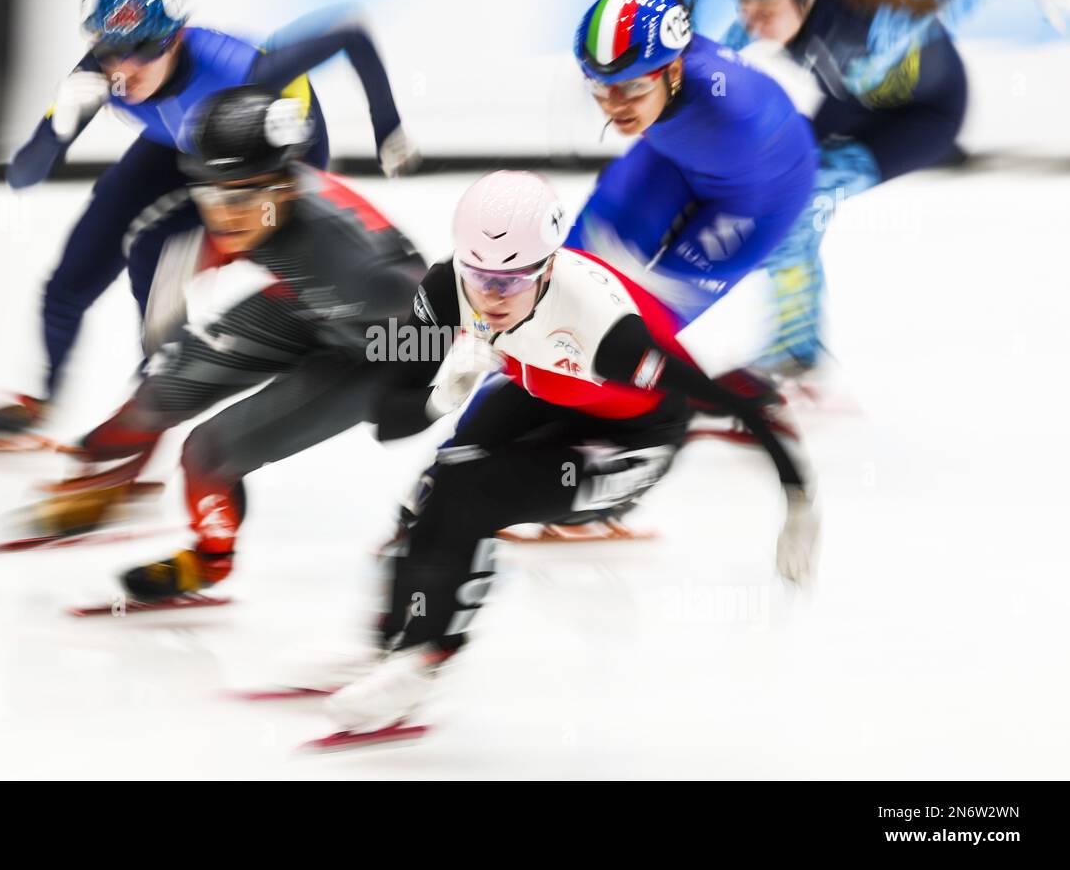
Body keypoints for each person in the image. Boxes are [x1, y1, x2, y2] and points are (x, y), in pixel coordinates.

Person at [313, 171, 818, 737]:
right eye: (479, 277)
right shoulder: (443, 291)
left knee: (471, 494)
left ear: (549, 267)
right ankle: (392, 645)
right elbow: (386, 415)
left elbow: (731, 401)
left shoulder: (608, 332)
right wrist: (436, 401)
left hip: (634, 438)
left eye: (512, 281)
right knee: (429, 494)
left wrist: (798, 493)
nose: (491, 298)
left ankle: (427, 659)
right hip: (543, 385)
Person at [0, 0, 419, 441]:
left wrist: (388, 128)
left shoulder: (239, 69)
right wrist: (59, 127)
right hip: (182, 142)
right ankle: (43, 403)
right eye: (109, 49)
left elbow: (350, 31)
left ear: (177, 36)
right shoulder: (95, 76)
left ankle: (151, 406)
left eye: (143, 48)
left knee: (159, 255)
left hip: (265, 160)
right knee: (74, 271)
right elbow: (23, 176)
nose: (125, 68)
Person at [24, 86, 427, 601]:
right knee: (161, 389)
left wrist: (425, 399)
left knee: (208, 453)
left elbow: (459, 318)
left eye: (239, 198)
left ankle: (210, 560)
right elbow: (189, 262)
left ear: (286, 189)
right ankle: (109, 479)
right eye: (209, 194)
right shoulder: (254, 203)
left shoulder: (360, 267)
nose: (222, 215)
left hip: (377, 352)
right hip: (306, 305)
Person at [720, 0, 1066, 371]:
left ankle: (796, 354)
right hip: (854, 100)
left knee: (807, 193)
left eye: (764, 10)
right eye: (744, 5)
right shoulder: (776, 14)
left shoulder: (873, 28)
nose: (751, 20)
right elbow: (715, 59)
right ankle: (790, 331)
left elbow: (956, 0)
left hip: (926, 114)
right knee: (779, 178)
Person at [565, 0, 819, 363]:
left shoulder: (737, 112)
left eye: (632, 87)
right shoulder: (659, 81)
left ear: (676, 71)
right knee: (575, 270)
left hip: (763, 193)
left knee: (636, 325)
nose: (614, 104)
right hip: (680, 157)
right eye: (598, 85)